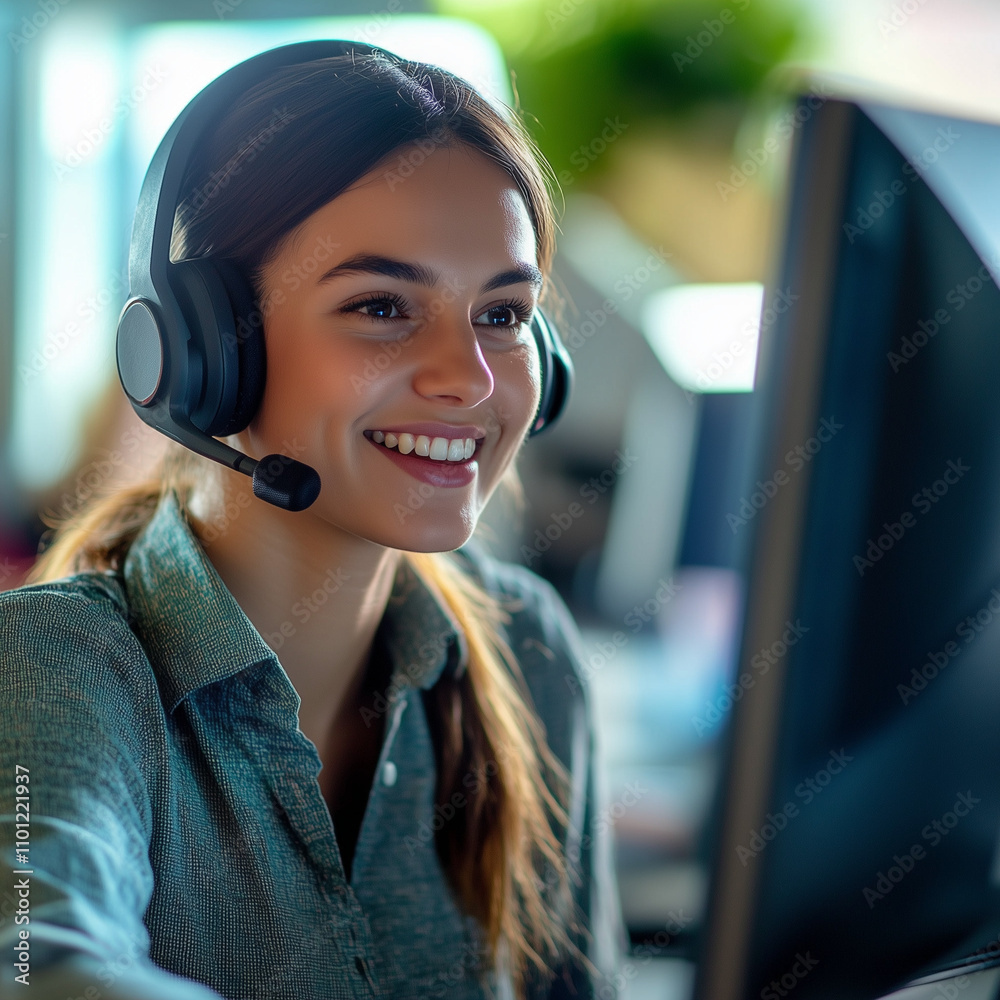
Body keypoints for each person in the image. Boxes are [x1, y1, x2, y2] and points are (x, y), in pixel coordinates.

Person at [0, 41, 626, 1000]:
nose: (471, 378)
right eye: (382, 306)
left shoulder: (527, 651)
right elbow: (43, 971)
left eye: (503, 314)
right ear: (202, 353)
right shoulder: (54, 668)